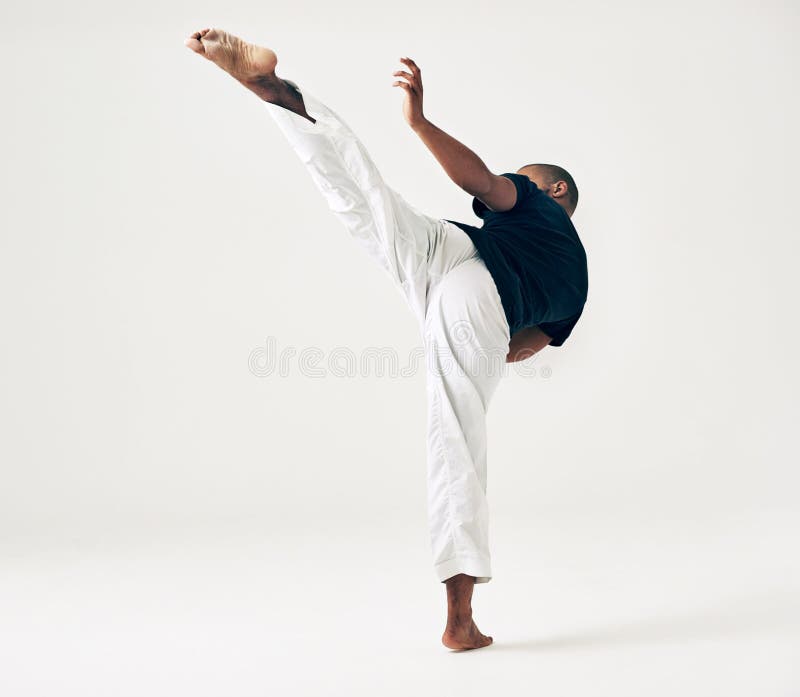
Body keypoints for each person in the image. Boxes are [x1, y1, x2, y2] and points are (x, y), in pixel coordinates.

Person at [184, 27, 588, 651]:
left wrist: (421, 123)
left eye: (530, 180)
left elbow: (483, 183)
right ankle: (460, 619)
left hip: (447, 252)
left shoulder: (534, 203)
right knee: (456, 436)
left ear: (554, 191)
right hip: (477, 298)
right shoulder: (576, 285)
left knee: (364, 201)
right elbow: (522, 345)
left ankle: (282, 96)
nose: (520, 183)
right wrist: (475, 338)